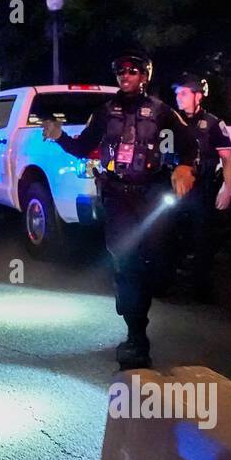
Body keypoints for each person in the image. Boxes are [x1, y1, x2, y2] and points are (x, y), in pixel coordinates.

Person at [42, 49, 197, 370]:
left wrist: (185, 167)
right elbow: (83, 147)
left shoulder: (161, 111)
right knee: (127, 265)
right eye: (120, 72)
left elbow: (189, 143)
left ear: (145, 76)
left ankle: (142, 304)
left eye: (132, 71)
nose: (125, 77)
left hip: (152, 195)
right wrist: (59, 137)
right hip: (116, 196)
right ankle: (136, 339)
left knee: (156, 265)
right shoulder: (105, 111)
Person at [170, 73, 231, 303]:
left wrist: (227, 190)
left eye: (184, 93)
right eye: (177, 93)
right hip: (176, 188)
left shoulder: (213, 124)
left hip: (203, 189)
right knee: (169, 235)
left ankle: (201, 289)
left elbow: (227, 159)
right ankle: (169, 283)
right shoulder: (172, 121)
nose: (178, 97)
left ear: (198, 96)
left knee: (202, 240)